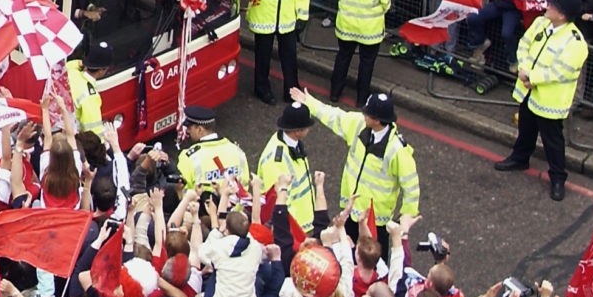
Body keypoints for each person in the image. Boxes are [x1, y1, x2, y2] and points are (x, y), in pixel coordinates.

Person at [497, 0, 590, 200]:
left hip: (550, 100)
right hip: (528, 91)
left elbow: (562, 71)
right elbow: (524, 45)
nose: (548, 6)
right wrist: (523, 69)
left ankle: (558, 178)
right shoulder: (540, 23)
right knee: (526, 128)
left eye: (554, 6)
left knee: (553, 141)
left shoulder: (575, 43)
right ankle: (520, 158)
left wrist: (533, 77)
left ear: (563, 16)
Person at [297, 87, 421, 225]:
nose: (363, 115)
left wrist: (407, 216)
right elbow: (335, 117)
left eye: (367, 114)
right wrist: (309, 102)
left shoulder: (397, 149)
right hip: (351, 211)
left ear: (377, 121)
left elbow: (411, 186)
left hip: (375, 221)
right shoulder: (359, 124)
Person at [331, 0, 391, 105]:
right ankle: (361, 99)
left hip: (346, 26)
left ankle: (335, 93)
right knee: (366, 64)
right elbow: (386, 3)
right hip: (369, 30)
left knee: (343, 58)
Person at [254, 97, 316, 234]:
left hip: (301, 221)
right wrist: (291, 230)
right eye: (307, 127)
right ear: (298, 131)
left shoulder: (292, 143)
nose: (309, 130)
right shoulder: (277, 159)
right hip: (291, 228)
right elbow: (277, 200)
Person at [174, 105, 251, 195]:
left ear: (199, 130)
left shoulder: (188, 157)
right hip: (235, 208)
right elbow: (244, 186)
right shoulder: (237, 151)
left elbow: (181, 192)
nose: (188, 132)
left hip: (203, 208)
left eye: (190, 128)